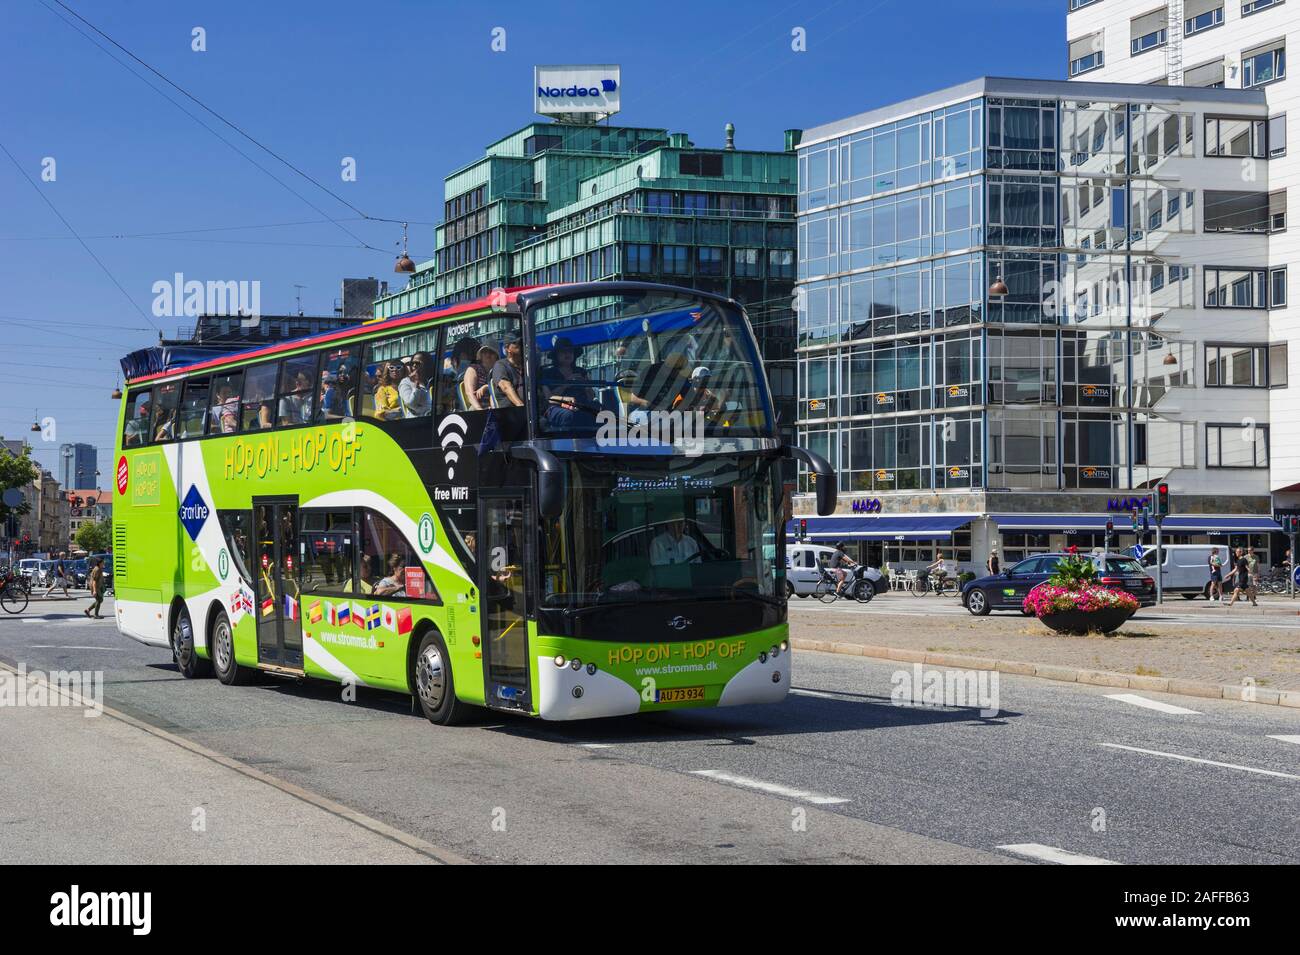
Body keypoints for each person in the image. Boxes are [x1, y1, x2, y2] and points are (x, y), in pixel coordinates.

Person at [541, 336, 597, 429]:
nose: (568, 354)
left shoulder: (581, 371)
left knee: (601, 411)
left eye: (570, 351)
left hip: (582, 405)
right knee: (569, 415)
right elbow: (549, 398)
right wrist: (567, 384)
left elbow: (590, 398)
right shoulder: (547, 373)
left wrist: (586, 385)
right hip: (558, 407)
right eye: (563, 352)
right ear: (556, 355)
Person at [491, 334, 526, 408]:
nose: (521, 345)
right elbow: (505, 387)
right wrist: (521, 407)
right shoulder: (500, 365)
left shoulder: (527, 365)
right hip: (514, 411)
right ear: (507, 348)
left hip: (539, 408)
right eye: (517, 343)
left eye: (522, 343)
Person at [399, 352, 433, 417]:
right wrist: (416, 385)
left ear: (427, 364)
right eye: (412, 363)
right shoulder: (405, 382)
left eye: (417, 363)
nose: (414, 365)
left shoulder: (431, 380)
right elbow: (411, 403)